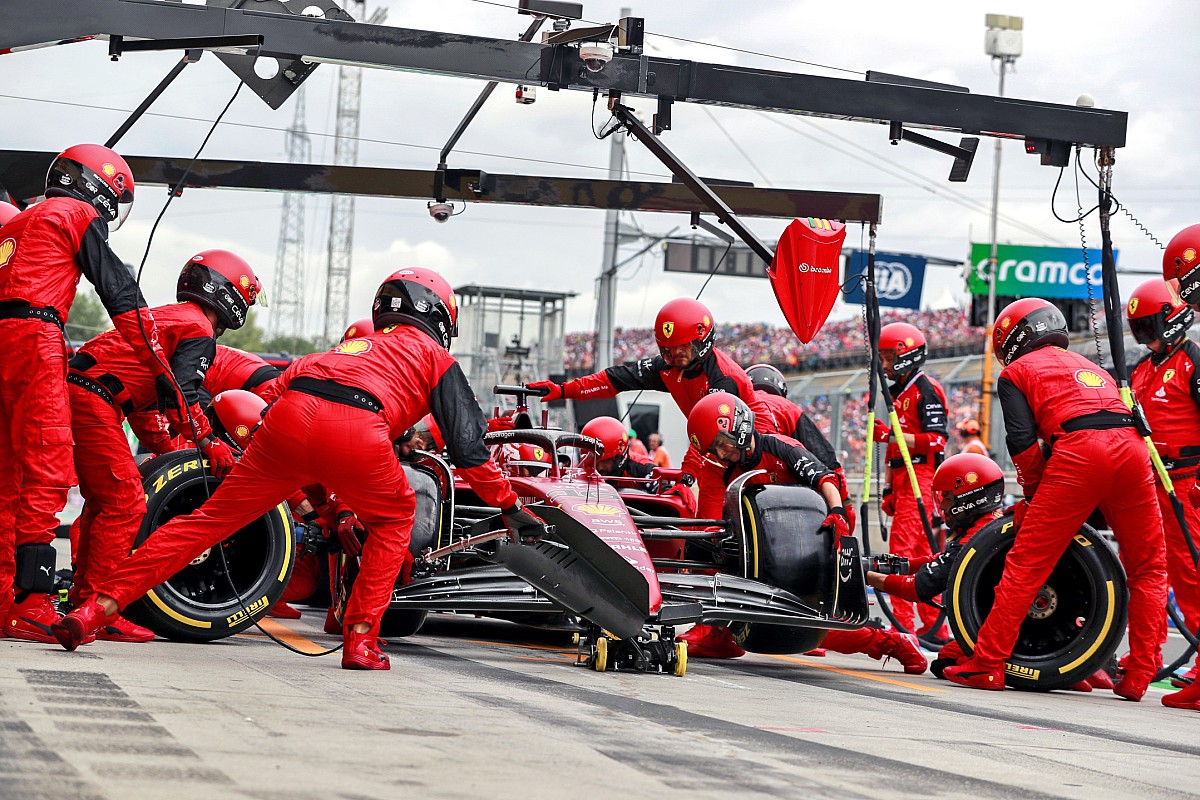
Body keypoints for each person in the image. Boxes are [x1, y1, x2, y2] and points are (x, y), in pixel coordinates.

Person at [53, 267, 548, 671]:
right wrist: (508, 506)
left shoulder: (343, 349)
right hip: (358, 425)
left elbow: (265, 399)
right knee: (396, 517)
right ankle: (360, 639)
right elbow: (469, 450)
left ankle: (94, 609)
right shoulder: (434, 356)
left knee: (203, 524)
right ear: (437, 315)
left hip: (290, 415)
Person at [944, 298, 1169, 700]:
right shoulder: (1092, 366)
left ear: (1012, 337)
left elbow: (1022, 443)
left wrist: (1034, 494)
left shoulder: (1016, 371)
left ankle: (988, 664)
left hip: (1081, 451)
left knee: (1027, 562)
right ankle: (1138, 675)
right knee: (1149, 566)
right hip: (1134, 451)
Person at [1, 144, 175, 642]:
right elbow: (118, 291)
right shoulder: (75, 214)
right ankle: (33, 602)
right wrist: (157, 365)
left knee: (5, 478)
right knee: (45, 467)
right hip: (35, 336)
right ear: (96, 186)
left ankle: (4, 600)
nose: (106, 213)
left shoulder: (18, 221)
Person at [64, 250, 263, 643]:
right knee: (124, 503)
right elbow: (180, 395)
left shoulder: (170, 316)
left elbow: (146, 398)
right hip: (94, 398)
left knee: (106, 501)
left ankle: (81, 598)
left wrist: (168, 447)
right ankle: (99, 609)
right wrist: (209, 444)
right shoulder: (198, 330)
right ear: (232, 296)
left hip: (86, 391)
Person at [682, 392, 924, 671]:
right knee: (701, 550)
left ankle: (892, 643)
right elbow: (712, 523)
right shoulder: (720, 470)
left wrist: (837, 513)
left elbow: (823, 477)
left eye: (722, 444)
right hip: (758, 557)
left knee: (811, 624)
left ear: (738, 426)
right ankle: (720, 633)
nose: (722, 453)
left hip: (807, 548)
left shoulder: (779, 446)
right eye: (715, 450)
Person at [527, 298, 778, 520]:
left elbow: (713, 430)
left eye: (684, 347)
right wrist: (563, 390)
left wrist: (687, 472)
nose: (676, 355)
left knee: (757, 515)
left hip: (756, 449)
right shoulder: (669, 369)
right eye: (668, 349)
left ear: (702, 340)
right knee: (706, 529)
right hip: (717, 454)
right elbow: (615, 378)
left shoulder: (724, 379)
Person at [1126, 278, 1200, 706]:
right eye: (1138, 328)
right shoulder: (1140, 368)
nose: (1143, 336)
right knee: (1143, 572)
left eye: (1148, 325)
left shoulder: (1194, 360)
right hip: (1146, 485)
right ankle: (1144, 657)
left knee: (1191, 574)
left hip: (1186, 485)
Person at [871, 322, 949, 640]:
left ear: (906, 355)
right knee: (918, 554)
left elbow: (936, 440)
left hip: (922, 475)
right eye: (883, 358)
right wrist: (889, 487)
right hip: (902, 475)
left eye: (889, 358)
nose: (885, 365)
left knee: (900, 551)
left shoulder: (925, 389)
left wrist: (891, 435)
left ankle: (900, 625)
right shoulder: (897, 391)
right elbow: (894, 449)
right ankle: (934, 627)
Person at [747, 363, 854, 532]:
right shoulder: (787, 407)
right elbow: (825, 459)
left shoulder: (733, 412)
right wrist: (845, 506)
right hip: (784, 497)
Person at [579, 416, 696, 516]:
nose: (598, 468)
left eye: (604, 461)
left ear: (619, 454)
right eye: (593, 460)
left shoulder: (643, 468)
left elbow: (666, 492)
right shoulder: (581, 468)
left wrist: (674, 491)